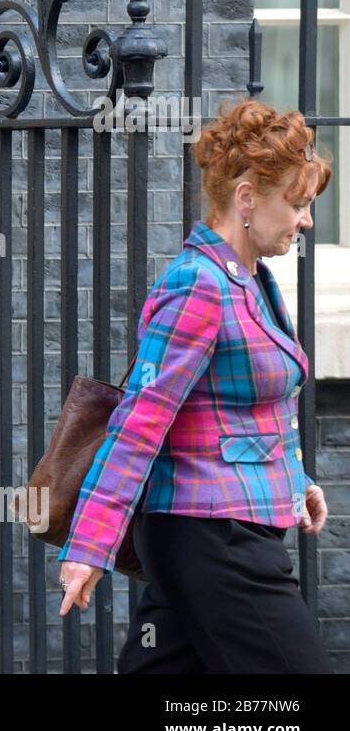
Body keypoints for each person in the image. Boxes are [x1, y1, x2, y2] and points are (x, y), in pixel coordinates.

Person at [57, 99, 333, 673]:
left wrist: (293, 478)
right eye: (297, 203)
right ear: (248, 198)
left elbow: (231, 410)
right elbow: (139, 423)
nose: (306, 220)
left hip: (217, 532)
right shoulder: (198, 286)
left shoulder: (249, 280)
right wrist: (89, 546)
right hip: (215, 542)